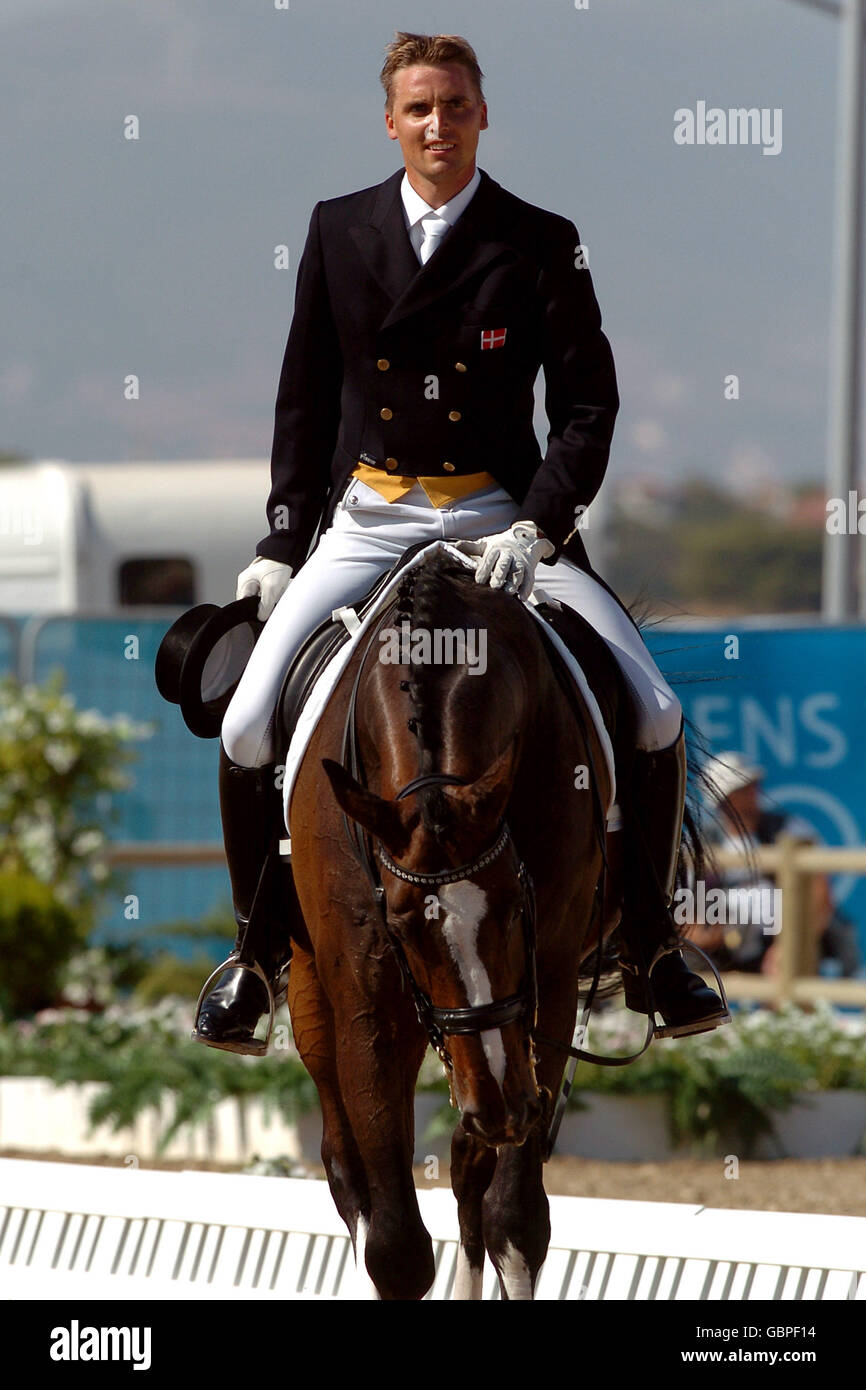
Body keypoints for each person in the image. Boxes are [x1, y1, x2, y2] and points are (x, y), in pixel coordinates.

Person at [194, 31, 729, 1053]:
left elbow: (585, 404)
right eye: (419, 109)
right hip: (371, 513)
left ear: (482, 115)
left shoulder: (537, 237)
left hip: (495, 519)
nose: (438, 125)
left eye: (455, 105)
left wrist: (541, 521)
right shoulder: (338, 229)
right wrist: (279, 537)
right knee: (249, 722)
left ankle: (654, 950)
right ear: (390, 122)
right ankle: (255, 957)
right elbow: (305, 395)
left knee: (653, 710)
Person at [691, 752, 849, 975]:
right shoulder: (704, 840)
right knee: (687, 963)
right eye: (743, 788)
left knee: (787, 967)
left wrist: (789, 945)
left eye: (752, 784)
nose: (753, 791)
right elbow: (687, 905)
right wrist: (698, 933)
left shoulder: (790, 829)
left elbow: (820, 894)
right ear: (724, 799)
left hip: (780, 940)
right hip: (724, 945)